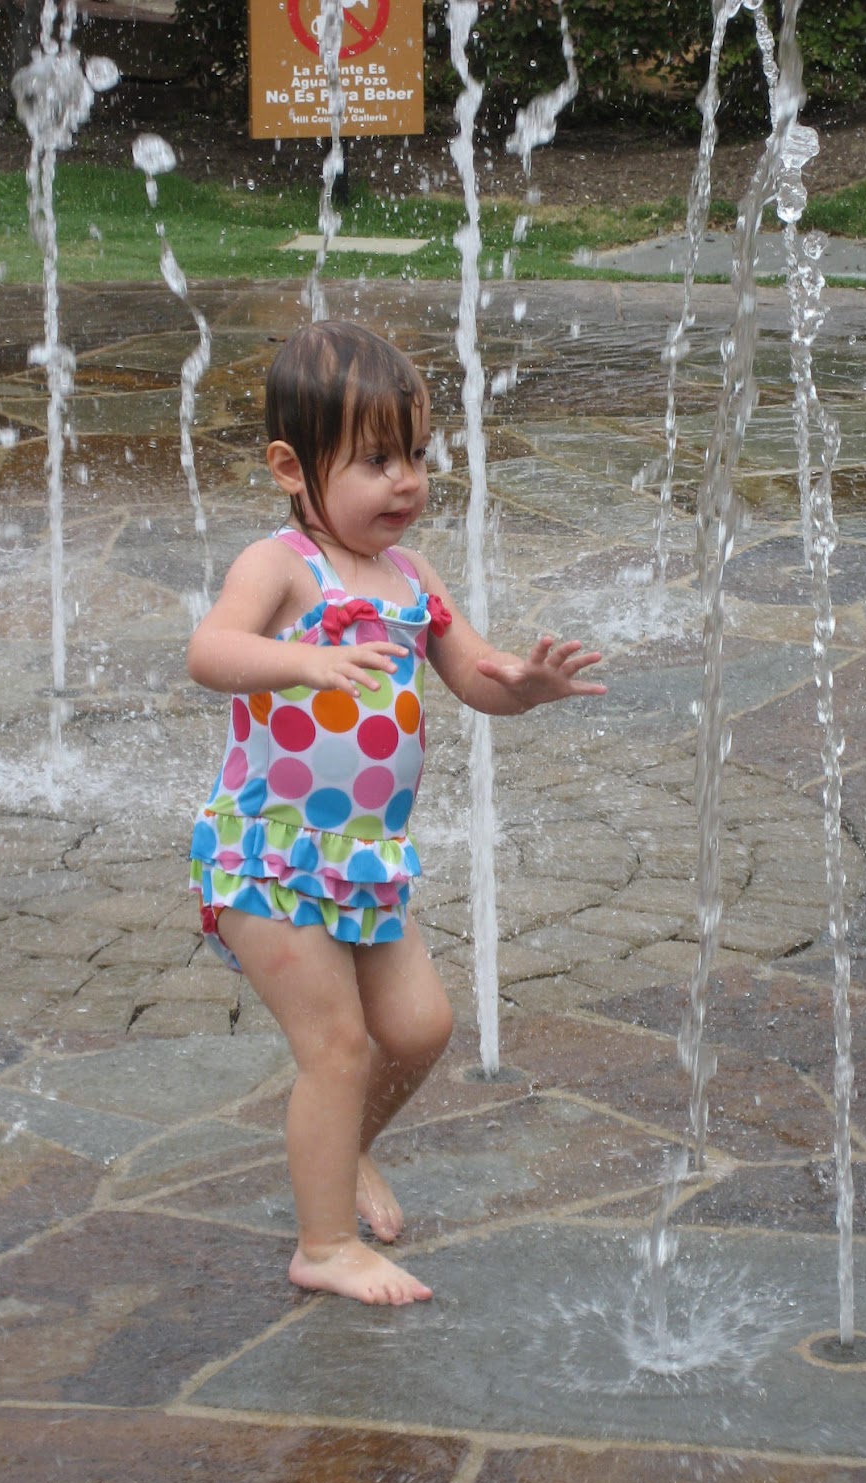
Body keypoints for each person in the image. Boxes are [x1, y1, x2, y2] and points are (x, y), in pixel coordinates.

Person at [187, 320, 605, 1306]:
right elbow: (210, 652)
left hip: (369, 858)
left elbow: (477, 677)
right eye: (375, 459)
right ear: (293, 466)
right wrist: (304, 659)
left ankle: (343, 1149)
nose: (406, 480)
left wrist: (528, 686)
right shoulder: (283, 564)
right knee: (334, 1044)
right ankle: (324, 1244)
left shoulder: (414, 581)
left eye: (415, 453)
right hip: (271, 855)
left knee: (418, 1029)